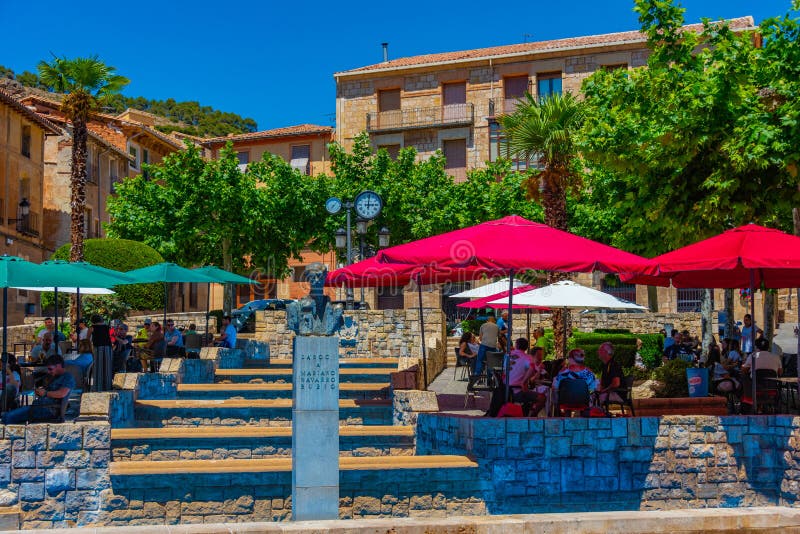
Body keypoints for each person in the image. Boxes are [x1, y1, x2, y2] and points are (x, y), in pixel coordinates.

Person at [1, 354, 75, 425]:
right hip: (40, 407)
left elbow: (62, 393)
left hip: (48, 410)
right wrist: (40, 391)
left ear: (58, 366)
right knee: (6, 416)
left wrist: (45, 393)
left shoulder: (67, 377)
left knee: (6, 418)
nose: (49, 371)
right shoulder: (55, 377)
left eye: (50, 369)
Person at [507, 338, 545, 416]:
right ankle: (532, 417)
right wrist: (523, 382)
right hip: (517, 391)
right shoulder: (527, 358)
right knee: (542, 398)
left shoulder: (508, 355)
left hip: (505, 389)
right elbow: (532, 368)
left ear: (516, 345)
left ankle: (526, 411)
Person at [595, 342, 623, 407]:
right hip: (610, 392)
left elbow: (616, 384)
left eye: (600, 350)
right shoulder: (606, 366)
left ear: (606, 352)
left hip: (618, 393)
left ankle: (596, 415)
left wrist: (603, 391)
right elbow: (602, 384)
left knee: (596, 399)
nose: (598, 352)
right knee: (590, 397)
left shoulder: (613, 365)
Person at [90, 314, 113, 392]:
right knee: (107, 368)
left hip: (98, 347)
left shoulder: (92, 328)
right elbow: (112, 337)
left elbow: (87, 340)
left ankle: (97, 387)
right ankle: (108, 387)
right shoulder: (107, 327)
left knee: (98, 368)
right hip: (108, 348)